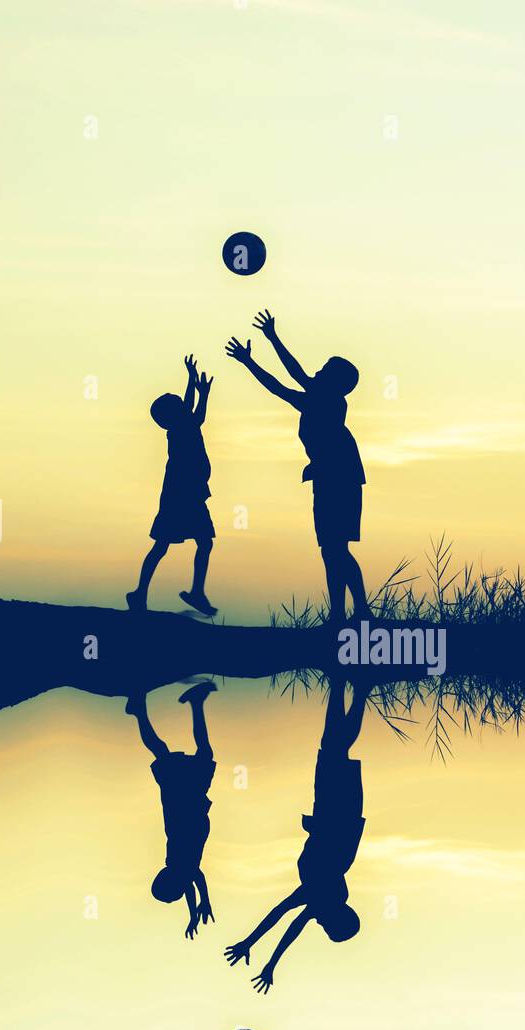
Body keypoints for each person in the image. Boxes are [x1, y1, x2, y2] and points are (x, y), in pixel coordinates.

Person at [225, 311, 369, 625]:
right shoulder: (322, 398)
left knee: (336, 548)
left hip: (339, 478)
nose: (316, 372)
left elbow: (288, 379)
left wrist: (265, 345)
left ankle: (358, 612)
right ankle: (344, 614)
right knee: (333, 549)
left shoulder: (326, 401)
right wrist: (261, 349)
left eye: (324, 370)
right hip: (334, 476)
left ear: (335, 383)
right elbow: (289, 381)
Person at [224, 680, 367, 992]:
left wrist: (263, 956)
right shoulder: (322, 897)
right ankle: (345, 684)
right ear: (336, 916)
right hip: (335, 816)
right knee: (333, 748)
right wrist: (258, 951)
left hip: (339, 817)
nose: (318, 923)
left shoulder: (322, 898)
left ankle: (355, 687)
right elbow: (286, 922)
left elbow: (286, 921)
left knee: (335, 749)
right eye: (326, 926)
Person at [127, 354, 217, 617]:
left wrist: (191, 381)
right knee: (185, 542)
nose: (182, 403)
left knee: (173, 544)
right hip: (183, 495)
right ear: (172, 414)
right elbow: (196, 413)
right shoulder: (182, 427)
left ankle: (143, 592)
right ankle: (146, 592)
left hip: (185, 493)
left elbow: (190, 409)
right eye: (178, 403)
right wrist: (203, 393)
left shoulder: (180, 424)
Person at [126, 681, 217, 939]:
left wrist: (204, 901)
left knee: (175, 753)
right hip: (183, 803)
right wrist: (193, 910)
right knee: (169, 752)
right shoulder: (180, 868)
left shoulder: (183, 867)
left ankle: (145, 710)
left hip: (184, 803)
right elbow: (190, 882)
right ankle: (191, 702)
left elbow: (195, 879)